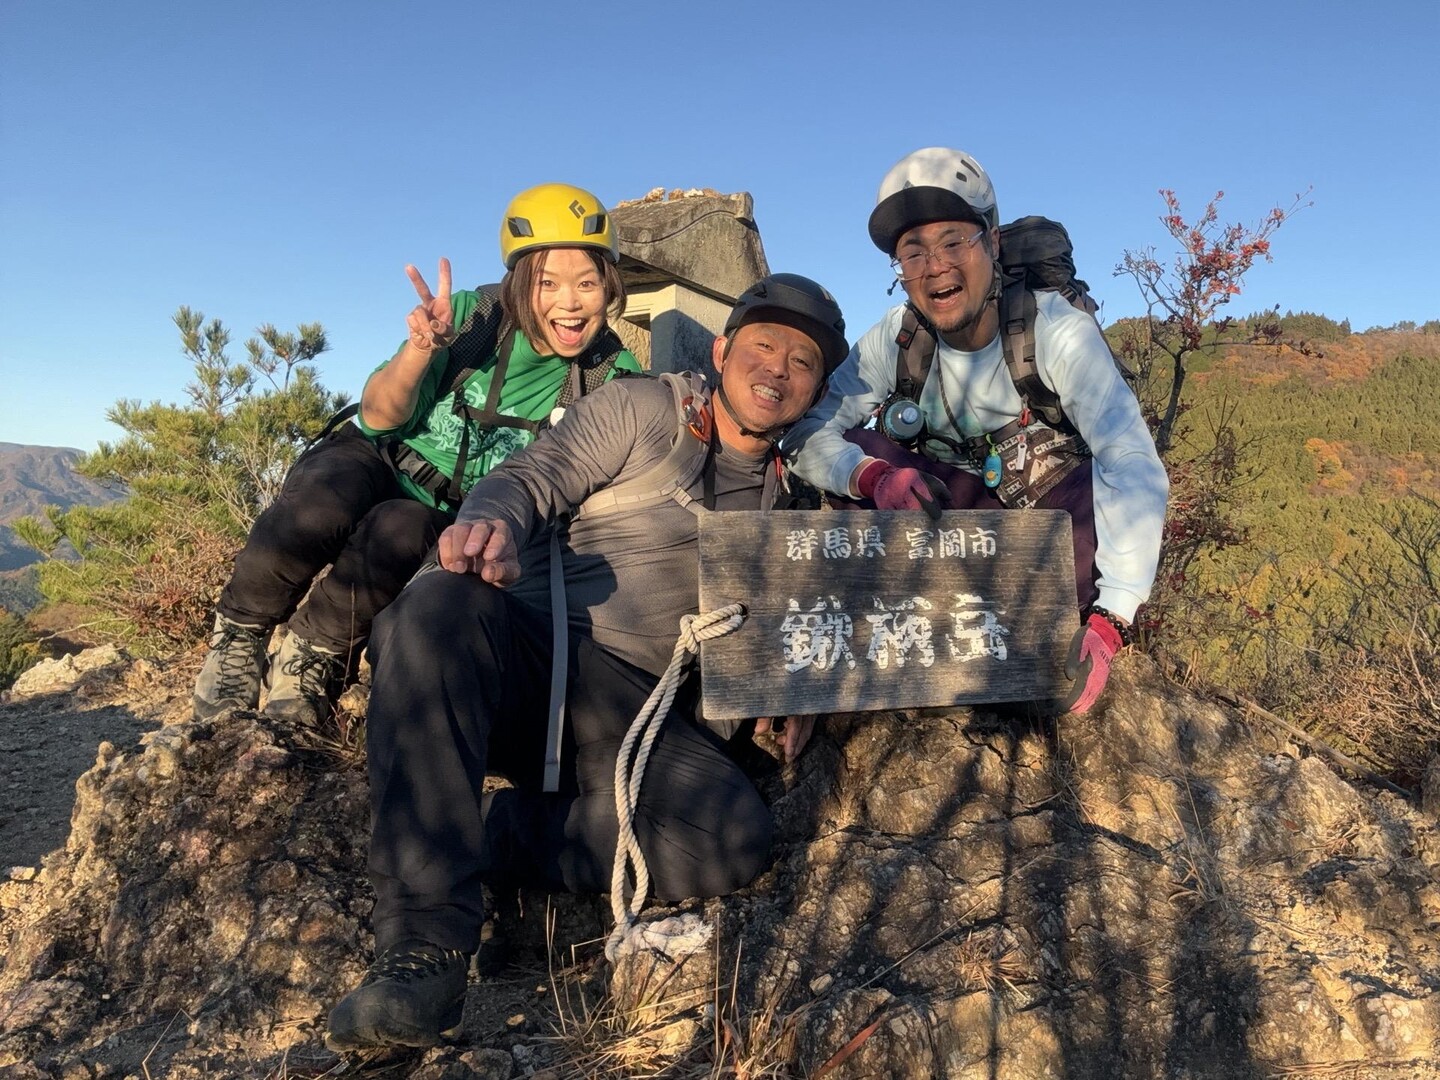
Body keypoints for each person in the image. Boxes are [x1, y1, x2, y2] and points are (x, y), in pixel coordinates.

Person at [323, 273, 849, 1051]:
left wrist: (799, 683)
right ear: (722, 350)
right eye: (763, 345)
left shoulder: (800, 490)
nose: (777, 368)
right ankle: (422, 949)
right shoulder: (646, 409)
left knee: (730, 841)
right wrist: (490, 526)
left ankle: (503, 832)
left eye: (801, 360)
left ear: (817, 387)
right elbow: (533, 474)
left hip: (647, 718)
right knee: (436, 609)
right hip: (545, 665)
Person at [192, 183, 641, 728]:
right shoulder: (473, 320)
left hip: (448, 509)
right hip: (382, 456)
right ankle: (238, 637)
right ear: (520, 281)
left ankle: (313, 660)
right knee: (322, 498)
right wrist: (422, 350)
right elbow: (379, 417)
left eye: (587, 284)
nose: (569, 303)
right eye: (548, 283)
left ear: (608, 287)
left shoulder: (610, 378)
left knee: (401, 529)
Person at [783, 148, 1168, 714]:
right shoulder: (899, 337)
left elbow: (1128, 458)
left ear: (992, 244)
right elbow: (808, 431)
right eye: (912, 253)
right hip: (947, 511)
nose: (934, 265)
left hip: (1043, 519)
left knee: (1090, 504)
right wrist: (871, 477)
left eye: (952, 242)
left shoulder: (1053, 330)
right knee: (863, 447)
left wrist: (1112, 617)